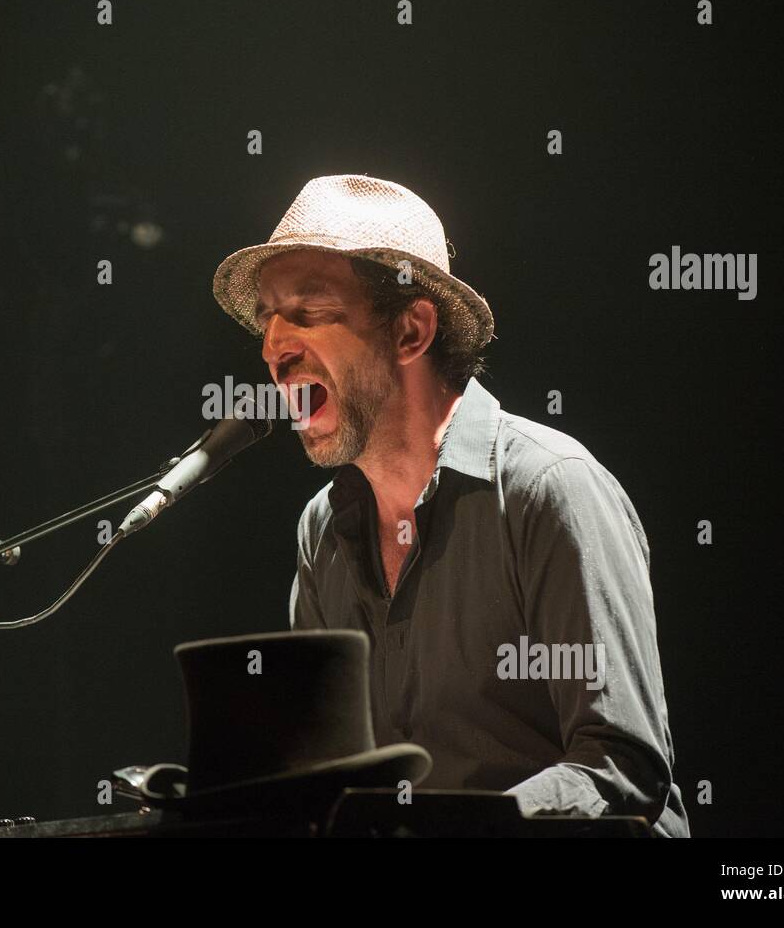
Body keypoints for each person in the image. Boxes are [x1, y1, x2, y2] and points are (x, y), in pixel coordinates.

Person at [211, 174, 691, 837]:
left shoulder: (550, 489)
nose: (272, 346)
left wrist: (445, 827)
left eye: (309, 310)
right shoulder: (320, 528)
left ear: (411, 330)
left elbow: (623, 769)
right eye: (267, 317)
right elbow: (331, 790)